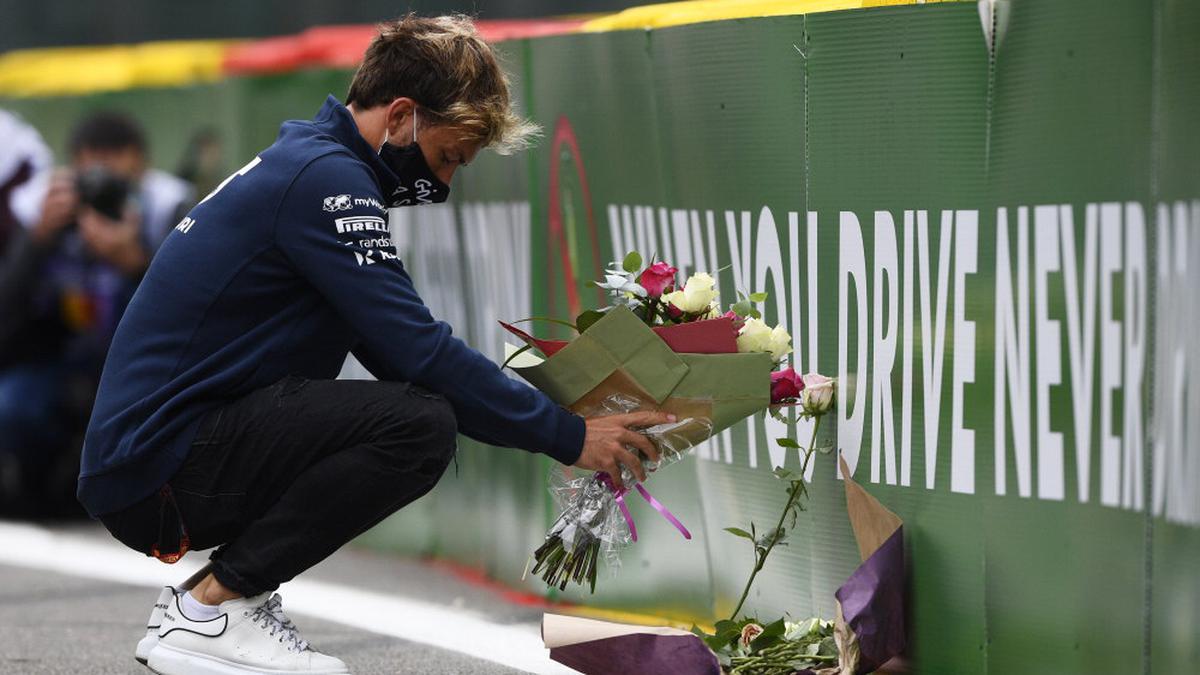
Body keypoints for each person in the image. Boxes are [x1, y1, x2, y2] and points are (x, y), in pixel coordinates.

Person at [79, 15, 670, 675]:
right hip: (159, 465)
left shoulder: (313, 164)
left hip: (151, 458)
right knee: (417, 426)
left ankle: (208, 608)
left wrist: (558, 423)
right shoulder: (326, 180)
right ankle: (216, 609)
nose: (443, 184)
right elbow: (420, 351)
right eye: (447, 156)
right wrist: (568, 435)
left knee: (415, 411)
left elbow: (399, 356)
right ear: (401, 117)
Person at [0, 111, 192, 515]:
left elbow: (190, 316)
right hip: (61, 357)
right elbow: (7, 308)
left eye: (115, 169)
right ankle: (36, 487)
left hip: (140, 367)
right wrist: (37, 240)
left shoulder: (168, 209)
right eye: (91, 168)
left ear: (141, 165)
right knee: (14, 406)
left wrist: (135, 264)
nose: (102, 180)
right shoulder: (43, 209)